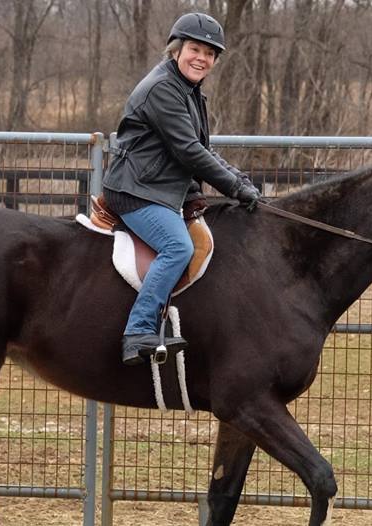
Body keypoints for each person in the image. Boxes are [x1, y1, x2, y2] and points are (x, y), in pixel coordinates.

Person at [102, 12, 263, 366]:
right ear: (176, 49)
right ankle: (138, 331)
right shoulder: (163, 88)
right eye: (195, 49)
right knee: (177, 247)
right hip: (136, 191)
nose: (201, 58)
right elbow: (188, 152)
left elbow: (202, 148)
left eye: (209, 54)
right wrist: (234, 187)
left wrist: (241, 180)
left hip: (160, 188)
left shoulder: (190, 91)